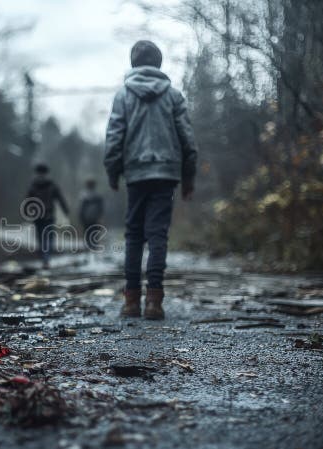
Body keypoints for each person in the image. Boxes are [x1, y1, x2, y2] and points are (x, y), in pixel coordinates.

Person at [103, 40, 199, 320]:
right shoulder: (173, 95)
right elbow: (188, 141)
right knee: (158, 234)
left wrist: (113, 172)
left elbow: (114, 138)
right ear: (159, 64)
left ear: (134, 64)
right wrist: (188, 177)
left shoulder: (123, 95)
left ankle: (131, 301)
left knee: (133, 235)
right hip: (166, 174)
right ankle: (155, 303)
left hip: (135, 173)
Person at [25, 163, 69, 269]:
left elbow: (27, 201)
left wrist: (27, 212)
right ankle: (46, 259)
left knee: (40, 238)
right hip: (49, 215)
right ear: (47, 173)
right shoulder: (52, 184)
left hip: (37, 216)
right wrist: (65, 210)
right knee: (49, 238)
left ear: (36, 172)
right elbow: (60, 198)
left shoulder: (33, 185)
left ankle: (44, 259)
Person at [79, 179, 105, 250]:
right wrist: (100, 217)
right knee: (94, 233)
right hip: (94, 218)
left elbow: (81, 209)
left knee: (88, 233)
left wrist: (81, 218)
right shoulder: (98, 196)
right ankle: (93, 247)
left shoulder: (83, 196)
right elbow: (101, 209)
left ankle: (89, 247)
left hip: (87, 218)